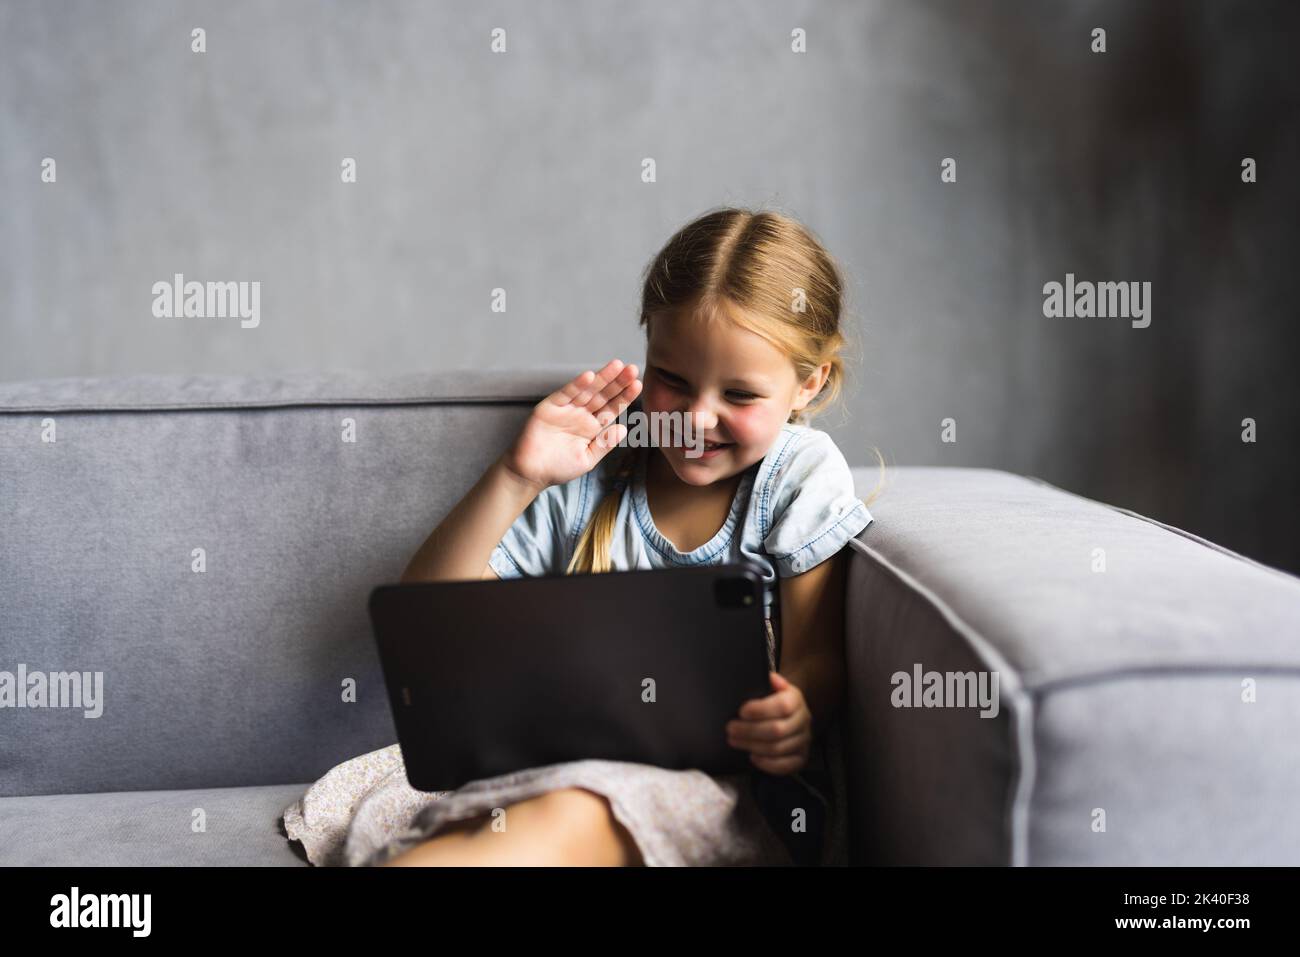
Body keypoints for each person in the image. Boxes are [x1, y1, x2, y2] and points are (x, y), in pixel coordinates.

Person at [281, 207, 886, 866]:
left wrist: (797, 709)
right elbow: (429, 611)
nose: (695, 418)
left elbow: (817, 656)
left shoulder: (798, 472)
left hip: (723, 792)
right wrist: (516, 476)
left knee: (572, 814)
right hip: (552, 771)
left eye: (739, 395)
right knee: (510, 823)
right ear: (647, 345)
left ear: (810, 381)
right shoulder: (598, 467)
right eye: (673, 380)